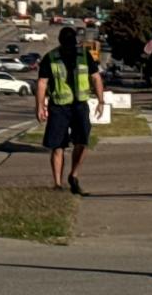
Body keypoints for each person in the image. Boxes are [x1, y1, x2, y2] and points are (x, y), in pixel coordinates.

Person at [36, 25, 103, 194]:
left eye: (71, 43)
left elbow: (96, 78)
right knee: (57, 146)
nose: (69, 46)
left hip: (80, 106)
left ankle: (73, 175)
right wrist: (40, 106)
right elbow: (42, 83)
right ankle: (57, 184)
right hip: (59, 107)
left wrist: (101, 101)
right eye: (66, 43)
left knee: (82, 142)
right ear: (60, 42)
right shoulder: (50, 58)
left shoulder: (84, 56)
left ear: (75, 42)